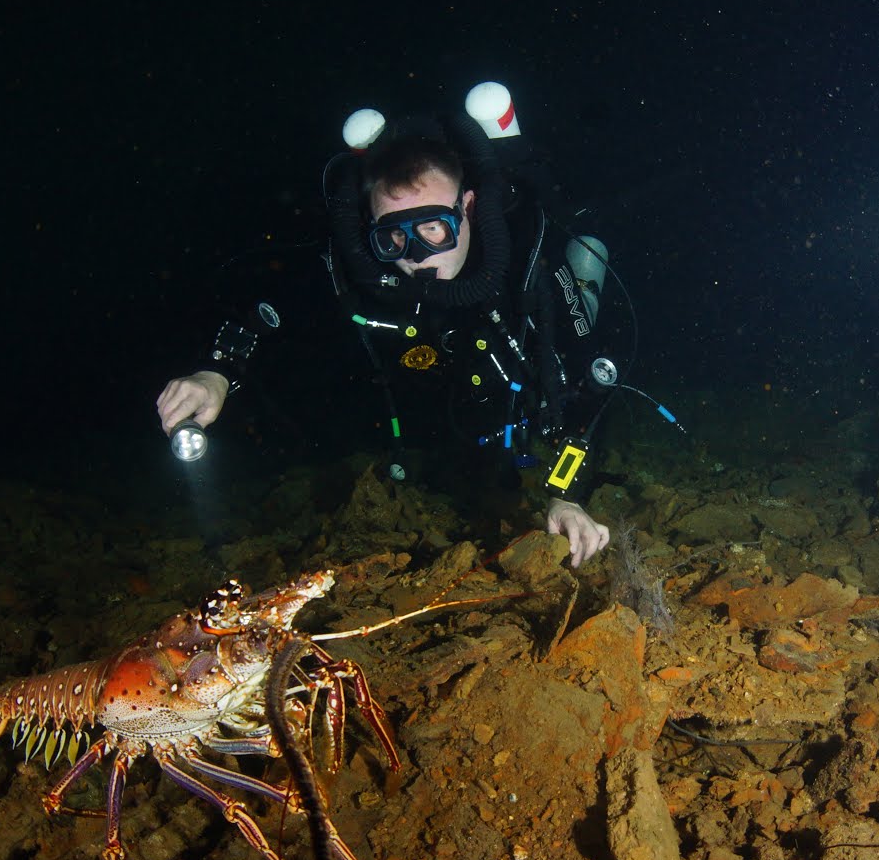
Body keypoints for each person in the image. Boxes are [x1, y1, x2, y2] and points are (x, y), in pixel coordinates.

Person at [156, 93, 615, 567]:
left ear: (470, 208)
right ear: (370, 229)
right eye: (392, 235)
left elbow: (593, 385)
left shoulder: (524, 262)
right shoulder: (361, 272)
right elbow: (267, 306)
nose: (415, 254)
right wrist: (215, 372)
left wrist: (566, 494)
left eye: (434, 228)